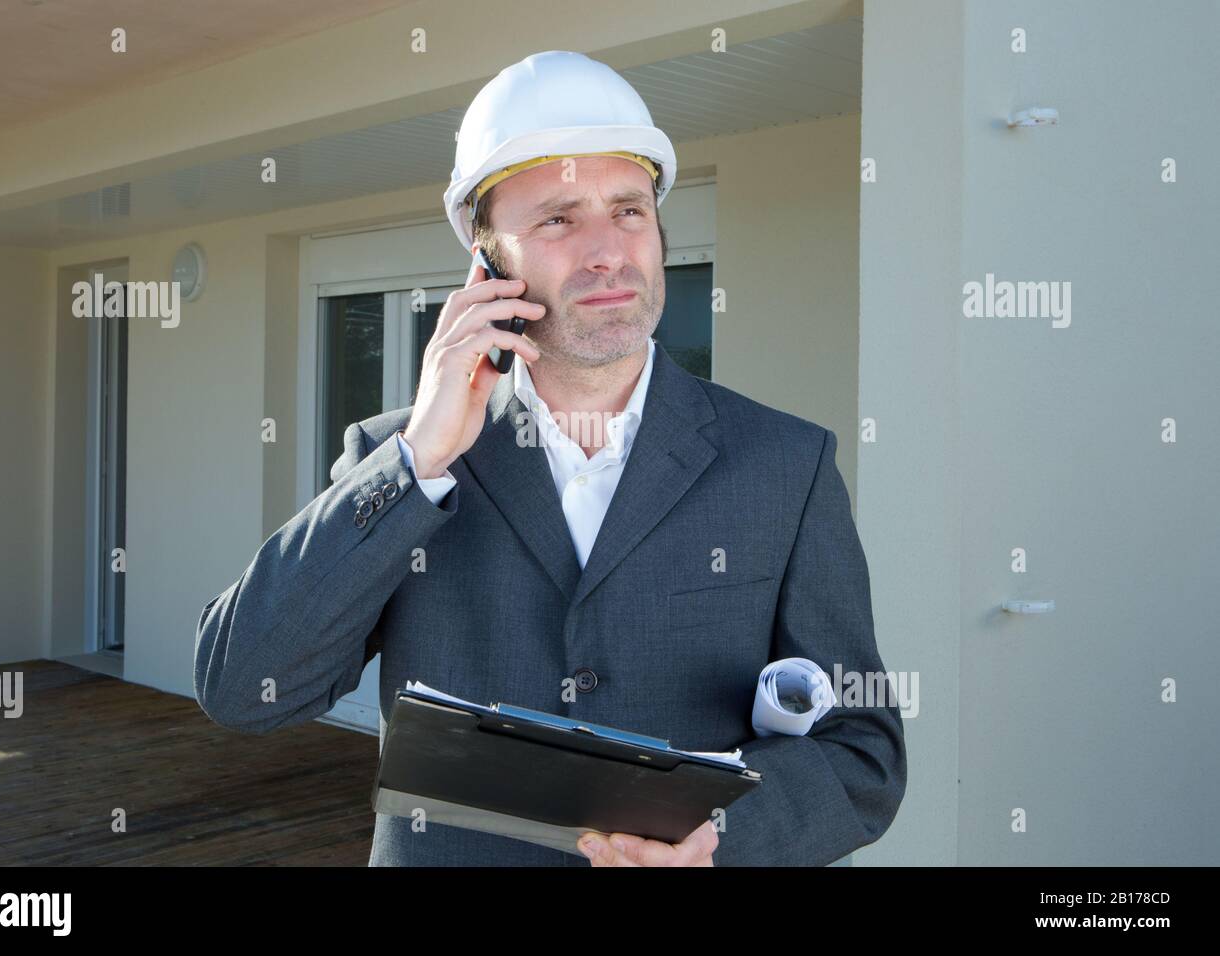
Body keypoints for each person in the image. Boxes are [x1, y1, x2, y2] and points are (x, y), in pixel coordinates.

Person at [194, 50, 906, 867]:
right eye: (560, 219)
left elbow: (863, 752)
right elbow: (245, 690)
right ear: (488, 267)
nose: (608, 250)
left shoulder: (786, 462)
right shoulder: (397, 460)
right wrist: (419, 459)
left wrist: (721, 840)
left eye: (629, 210)